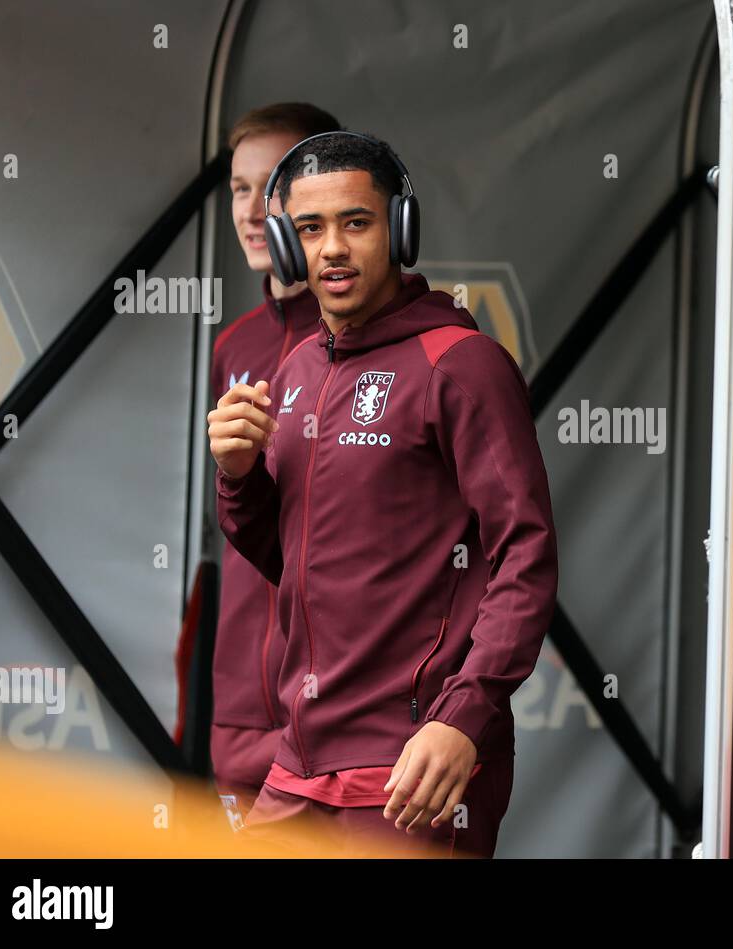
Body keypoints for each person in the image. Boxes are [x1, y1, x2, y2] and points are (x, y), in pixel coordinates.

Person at [206, 131, 558, 857]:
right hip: (297, 761)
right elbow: (291, 555)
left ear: (400, 229)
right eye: (310, 228)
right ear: (286, 242)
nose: (332, 247)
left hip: (409, 767)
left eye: (355, 222)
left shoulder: (462, 364)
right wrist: (237, 478)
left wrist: (464, 717)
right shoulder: (300, 367)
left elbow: (524, 554)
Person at [206, 103, 340, 831]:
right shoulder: (234, 345)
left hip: (351, 718)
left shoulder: (402, 343)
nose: (253, 211)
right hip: (241, 717)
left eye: (276, 185)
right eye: (238, 187)